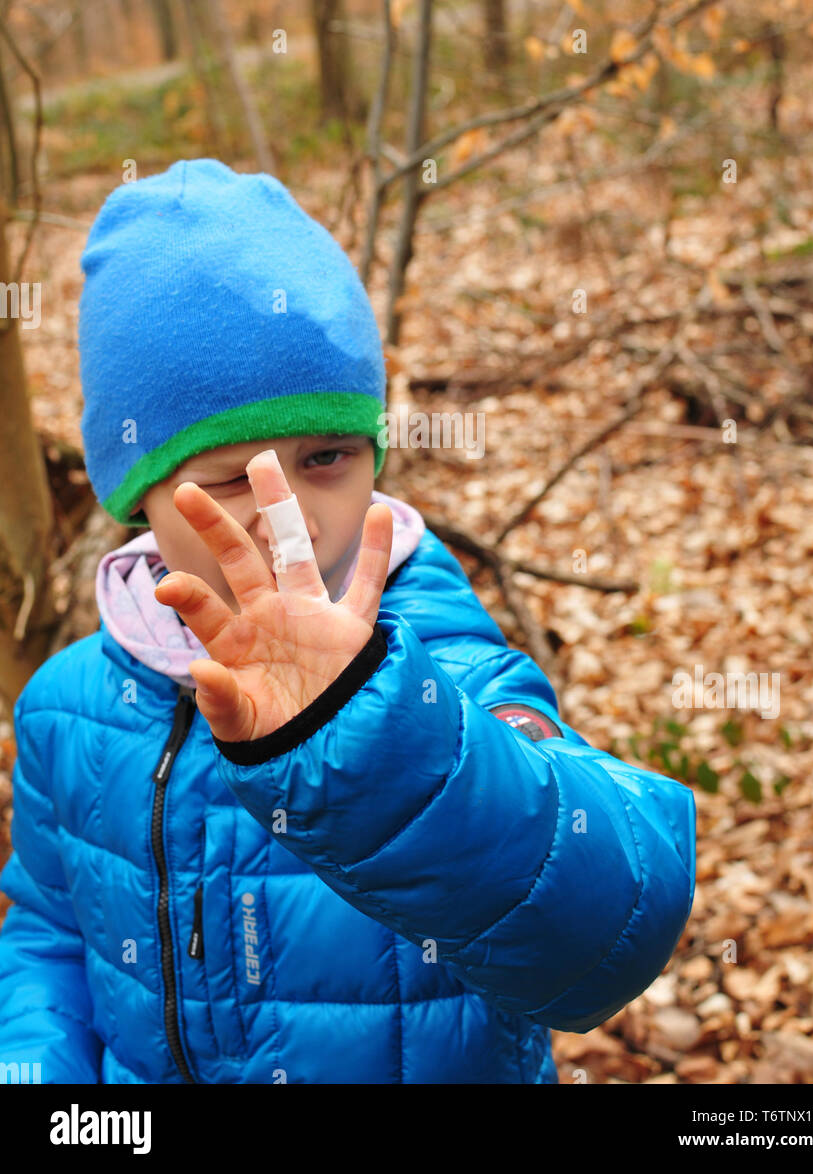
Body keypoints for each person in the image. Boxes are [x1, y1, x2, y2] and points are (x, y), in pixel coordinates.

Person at [0, 159, 696, 1084]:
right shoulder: (64, 707)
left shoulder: (436, 660)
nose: (285, 510)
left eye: (325, 455)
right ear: (136, 501)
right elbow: (50, 931)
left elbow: (607, 931)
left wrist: (364, 735)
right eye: (224, 479)